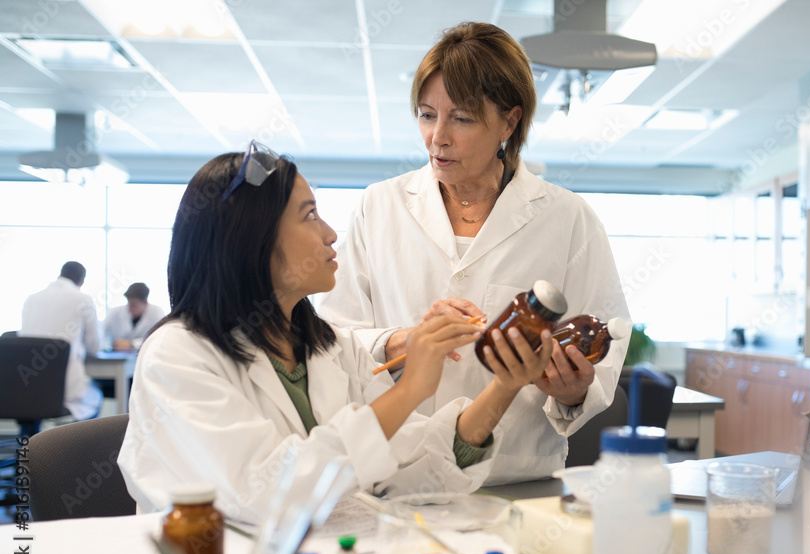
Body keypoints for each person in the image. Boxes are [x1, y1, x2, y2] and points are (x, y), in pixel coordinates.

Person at [117, 141, 552, 524]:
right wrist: (410, 389)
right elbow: (268, 494)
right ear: (251, 238)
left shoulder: (329, 347)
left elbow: (410, 471)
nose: (330, 234)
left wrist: (505, 386)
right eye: (310, 216)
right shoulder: (176, 357)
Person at [318, 22, 630, 484]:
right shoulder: (379, 207)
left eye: (461, 118)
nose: (437, 137)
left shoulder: (568, 219)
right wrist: (405, 340)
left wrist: (573, 390)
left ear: (509, 120)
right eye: (427, 115)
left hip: (515, 478)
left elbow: (607, 338)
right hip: (397, 475)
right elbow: (333, 341)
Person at [20, 261, 103, 425]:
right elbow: (95, 346)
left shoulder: (31, 299)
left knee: (32, 406)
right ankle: (80, 448)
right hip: (64, 391)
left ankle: (28, 444)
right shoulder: (83, 299)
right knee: (96, 396)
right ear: (81, 282)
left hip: (26, 386)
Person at [103, 282, 165, 350]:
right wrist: (112, 343)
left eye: (134, 305)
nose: (130, 309)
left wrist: (132, 344)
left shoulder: (157, 312)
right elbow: (101, 334)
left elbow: (159, 338)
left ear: (145, 303)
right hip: (116, 356)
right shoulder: (114, 312)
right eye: (129, 303)